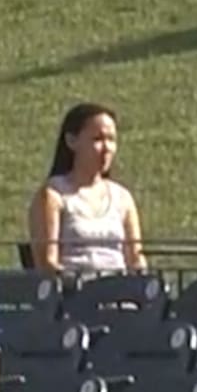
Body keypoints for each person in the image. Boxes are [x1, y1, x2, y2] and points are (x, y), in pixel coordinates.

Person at [28, 103, 147, 275]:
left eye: (111, 140)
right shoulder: (53, 196)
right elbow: (47, 262)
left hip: (121, 294)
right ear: (71, 141)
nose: (107, 148)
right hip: (75, 294)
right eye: (97, 139)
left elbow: (135, 258)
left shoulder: (122, 198)